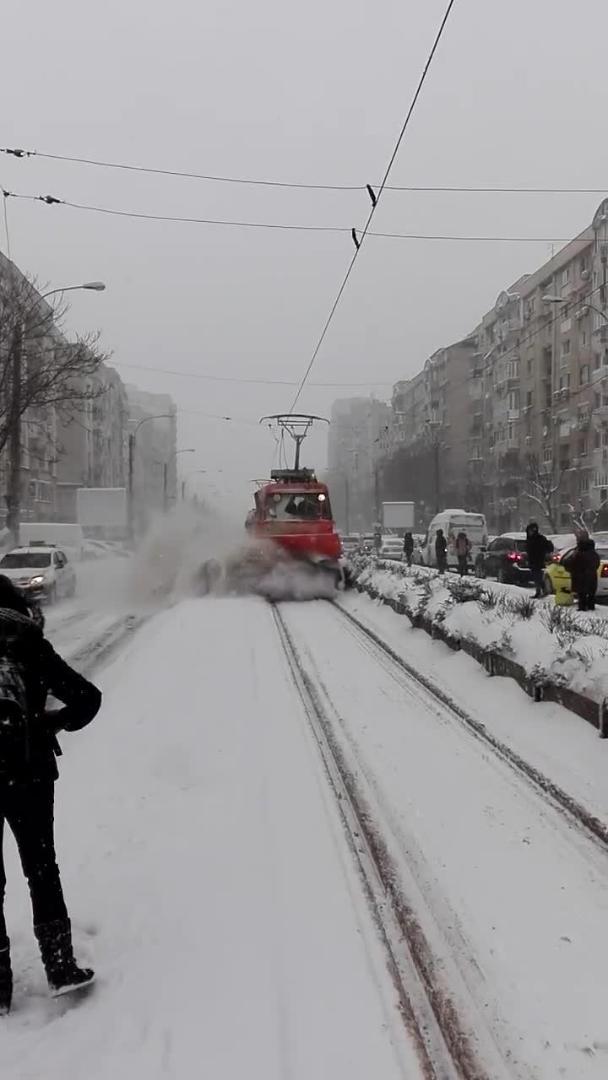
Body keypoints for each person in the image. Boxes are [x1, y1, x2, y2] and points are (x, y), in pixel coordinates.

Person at [0, 576, 101, 1015]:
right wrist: (49, 724)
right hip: (30, 774)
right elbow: (87, 698)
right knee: (41, 868)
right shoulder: (29, 644)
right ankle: (60, 968)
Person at [562, 534, 600, 611]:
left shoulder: (579, 554)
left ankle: (582, 607)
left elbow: (572, 564)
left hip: (580, 577)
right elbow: (597, 564)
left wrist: (567, 565)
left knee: (582, 593)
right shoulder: (594, 554)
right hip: (592, 576)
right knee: (591, 593)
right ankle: (591, 606)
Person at [525, 522, 554, 598]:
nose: (529, 532)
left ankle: (542, 591)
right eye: (529, 531)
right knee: (536, 577)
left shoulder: (540, 539)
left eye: (531, 531)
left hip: (538, 561)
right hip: (532, 561)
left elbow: (549, 547)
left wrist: (545, 553)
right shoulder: (529, 539)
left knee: (538, 577)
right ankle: (539, 591)